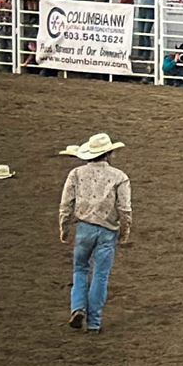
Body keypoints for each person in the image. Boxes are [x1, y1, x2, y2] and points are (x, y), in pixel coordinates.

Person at [58, 132, 132, 335]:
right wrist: (125, 233)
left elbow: (66, 204)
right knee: (101, 275)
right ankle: (94, 323)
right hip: (107, 231)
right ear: (108, 154)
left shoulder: (76, 174)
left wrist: (64, 228)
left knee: (80, 270)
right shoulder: (119, 177)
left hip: (84, 229)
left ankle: (78, 307)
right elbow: (124, 209)